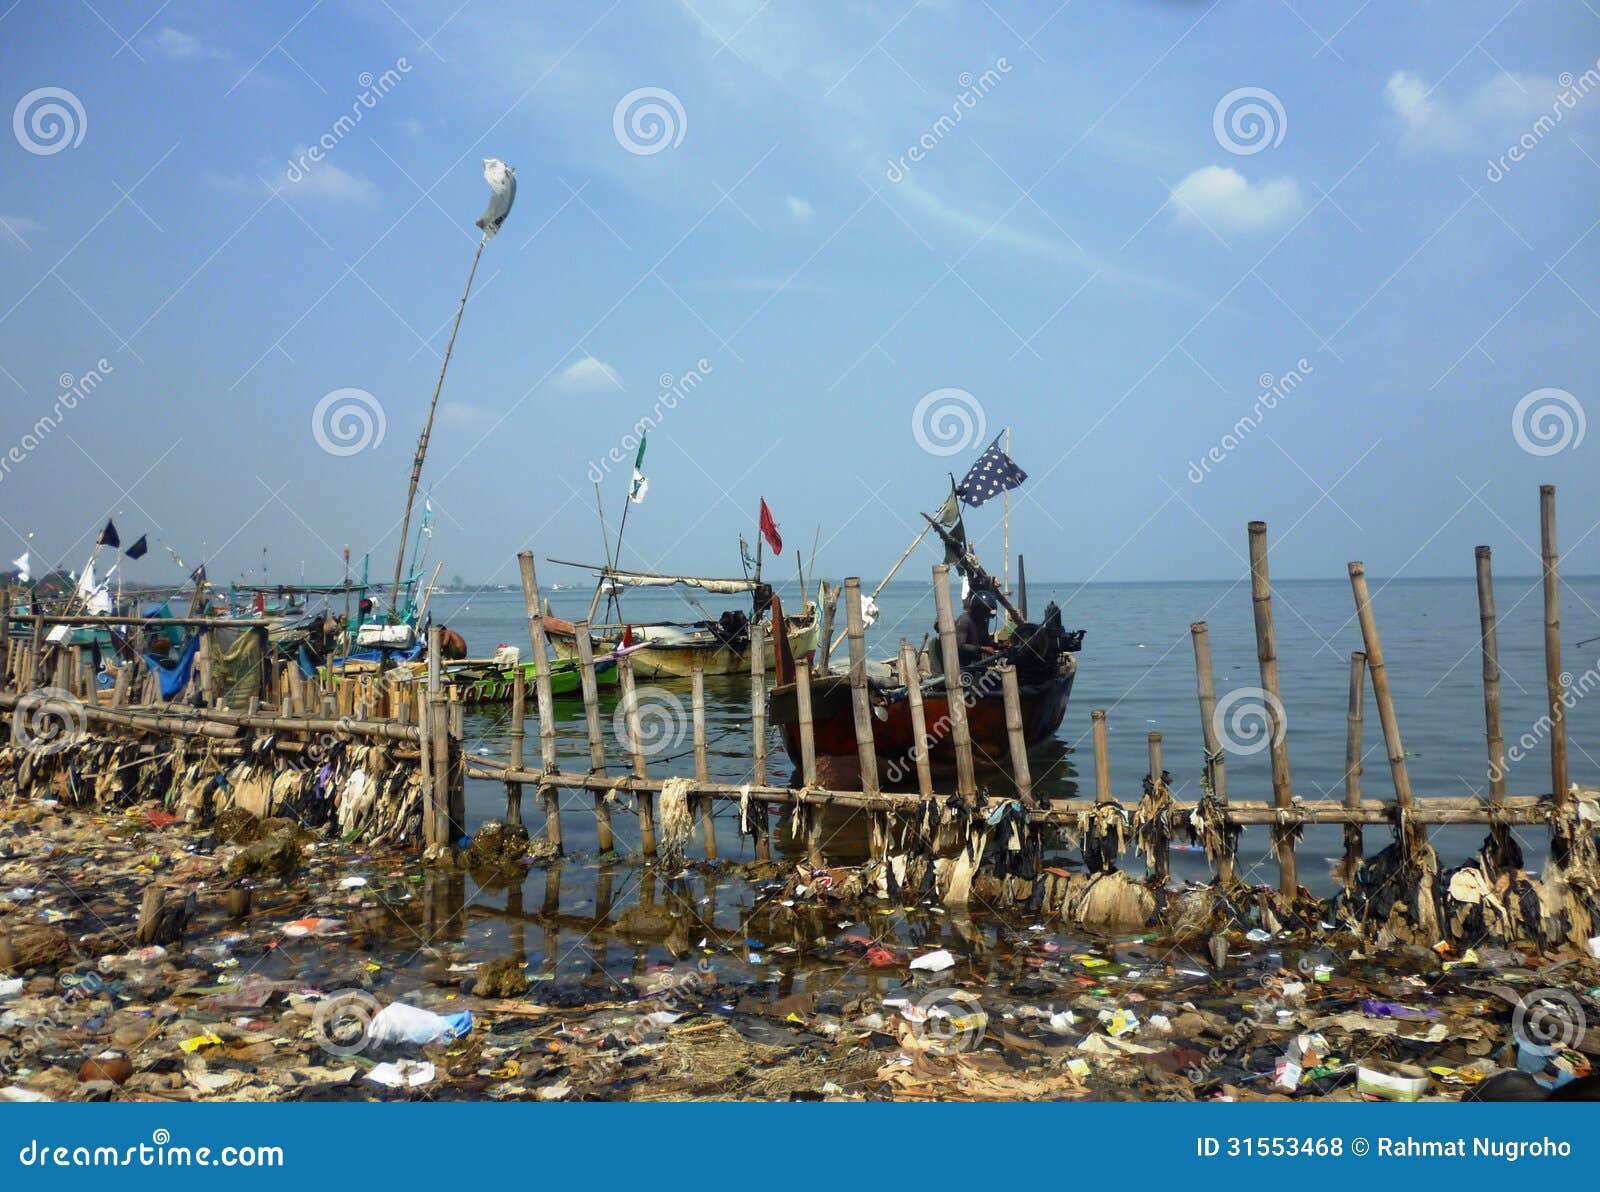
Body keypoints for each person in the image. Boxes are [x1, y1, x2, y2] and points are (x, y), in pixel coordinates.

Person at [954, 592, 998, 666]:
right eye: (984, 614)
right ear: (978, 610)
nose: (985, 618)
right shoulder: (964, 619)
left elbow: (987, 642)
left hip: (977, 661)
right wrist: (982, 648)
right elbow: (960, 645)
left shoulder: (982, 622)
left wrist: (1000, 645)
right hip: (963, 663)